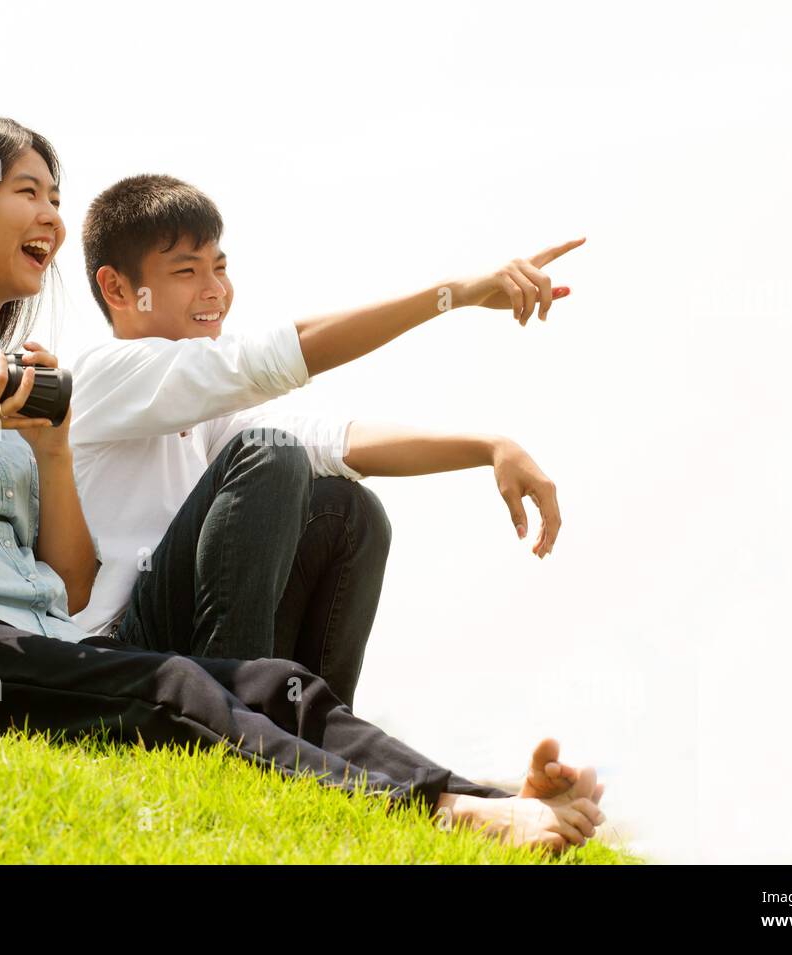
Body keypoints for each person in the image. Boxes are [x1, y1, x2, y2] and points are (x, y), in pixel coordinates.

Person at [0, 114, 606, 853]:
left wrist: (55, 453)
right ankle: (442, 815)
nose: (52, 217)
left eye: (55, 196)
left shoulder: (20, 382)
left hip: (37, 640)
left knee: (267, 681)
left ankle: (478, 793)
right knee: (173, 682)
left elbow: (69, 583)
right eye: (27, 192)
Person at [67, 174, 580, 710]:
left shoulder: (202, 407)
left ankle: (312, 731)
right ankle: (227, 723)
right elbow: (275, 360)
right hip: (117, 654)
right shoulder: (104, 375)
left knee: (346, 509)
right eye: (186, 271)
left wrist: (488, 446)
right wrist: (454, 295)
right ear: (118, 289)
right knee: (272, 453)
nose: (215, 289)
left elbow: (335, 443)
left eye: (219, 266)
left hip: (172, 642)